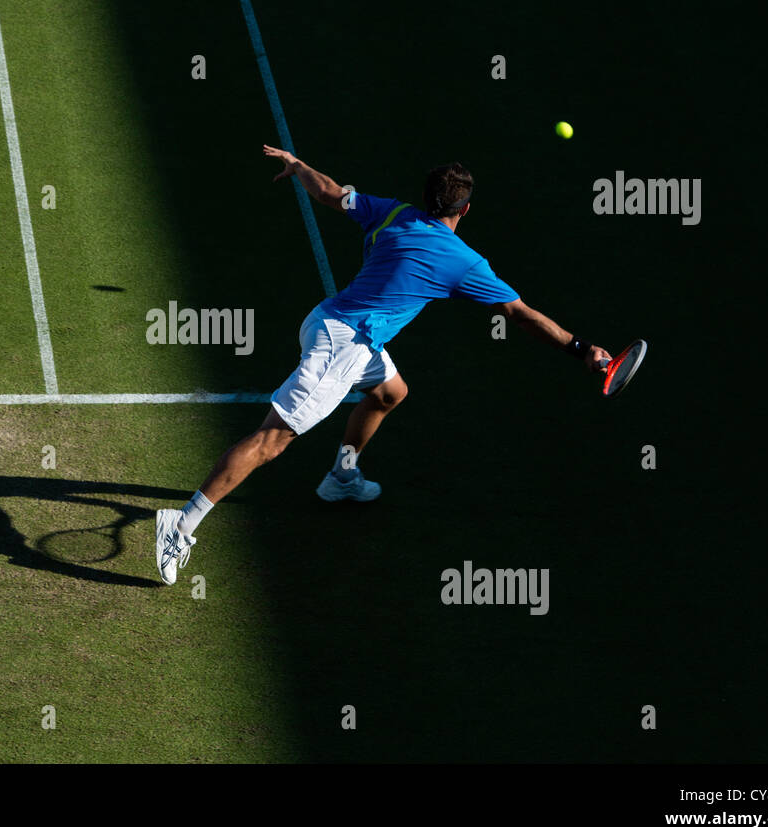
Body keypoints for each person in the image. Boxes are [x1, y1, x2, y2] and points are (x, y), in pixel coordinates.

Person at [154, 146, 612, 584]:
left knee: (391, 392)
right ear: (465, 211)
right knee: (271, 440)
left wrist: (297, 165)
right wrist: (582, 348)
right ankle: (181, 524)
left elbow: (331, 192)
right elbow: (522, 315)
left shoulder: (393, 212)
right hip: (343, 346)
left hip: (328, 321)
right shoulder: (466, 264)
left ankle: (341, 476)